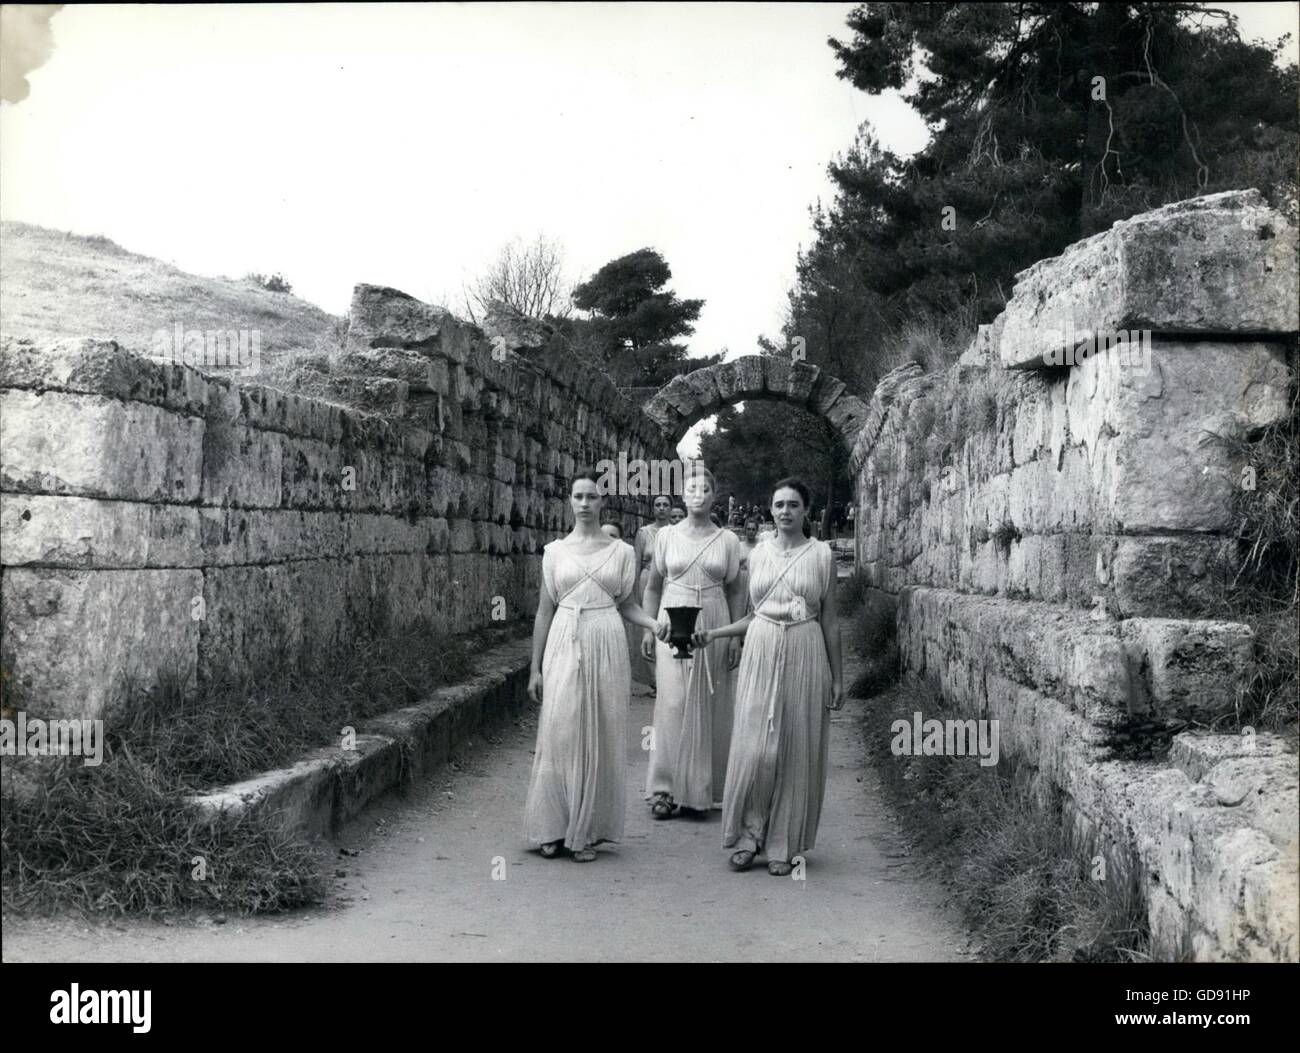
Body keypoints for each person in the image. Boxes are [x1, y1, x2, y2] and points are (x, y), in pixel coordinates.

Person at [693, 478, 844, 876]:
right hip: (761, 648)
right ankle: (748, 834)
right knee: (756, 748)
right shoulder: (757, 555)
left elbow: (830, 621)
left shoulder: (822, 555)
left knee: (795, 746)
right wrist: (715, 633)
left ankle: (783, 842)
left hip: (805, 647)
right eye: (778, 504)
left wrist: (837, 676)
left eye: (793, 504)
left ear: (806, 510)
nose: (785, 511)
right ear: (770, 509)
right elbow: (749, 614)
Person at [524, 470, 668, 862]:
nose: (585, 503)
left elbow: (628, 605)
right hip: (564, 638)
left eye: (592, 497)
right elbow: (544, 610)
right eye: (579, 496)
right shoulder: (554, 551)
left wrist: (654, 624)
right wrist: (535, 668)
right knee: (560, 728)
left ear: (603, 502)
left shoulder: (621, 552)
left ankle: (586, 830)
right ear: (569, 501)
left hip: (606, 637)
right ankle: (552, 826)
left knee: (601, 729)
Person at [641, 465, 745, 818]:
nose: (698, 493)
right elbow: (654, 586)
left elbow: (735, 590)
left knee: (711, 699)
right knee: (672, 702)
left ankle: (704, 788)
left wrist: (735, 638)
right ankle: (664, 788)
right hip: (674, 620)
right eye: (691, 487)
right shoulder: (666, 537)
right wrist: (648, 627)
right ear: (682, 495)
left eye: (705, 488)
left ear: (714, 495)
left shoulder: (728, 541)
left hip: (714, 620)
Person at [631, 495, 673, 691]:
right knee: (647, 624)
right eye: (658, 505)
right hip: (647, 579)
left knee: (665, 624)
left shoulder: (675, 533)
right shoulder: (644, 533)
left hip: (669, 581)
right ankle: (653, 679)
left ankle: (667, 674)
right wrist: (633, 590)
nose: (661, 508)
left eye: (665, 505)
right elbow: (637, 562)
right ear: (653, 508)